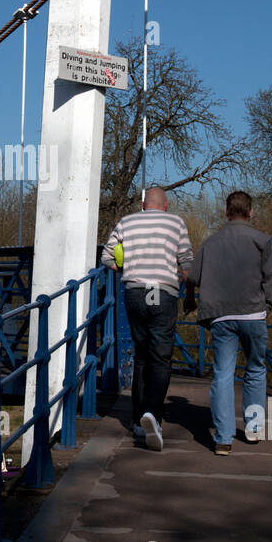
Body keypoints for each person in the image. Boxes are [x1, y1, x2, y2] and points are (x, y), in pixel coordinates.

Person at [185, 190, 272, 456]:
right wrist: (267, 303)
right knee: (255, 369)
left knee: (223, 374)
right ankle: (253, 428)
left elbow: (193, 276)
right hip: (253, 313)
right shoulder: (262, 240)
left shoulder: (210, 243)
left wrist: (192, 299)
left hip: (221, 316)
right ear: (251, 212)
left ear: (226, 212)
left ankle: (223, 439)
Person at [102, 187, 194, 450]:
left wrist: (125, 269)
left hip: (136, 292)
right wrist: (191, 294)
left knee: (141, 356)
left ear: (143, 205)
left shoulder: (126, 222)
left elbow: (106, 256)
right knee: (161, 356)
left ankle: (136, 421)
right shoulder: (176, 222)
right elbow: (187, 263)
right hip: (162, 291)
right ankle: (152, 413)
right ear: (165, 205)